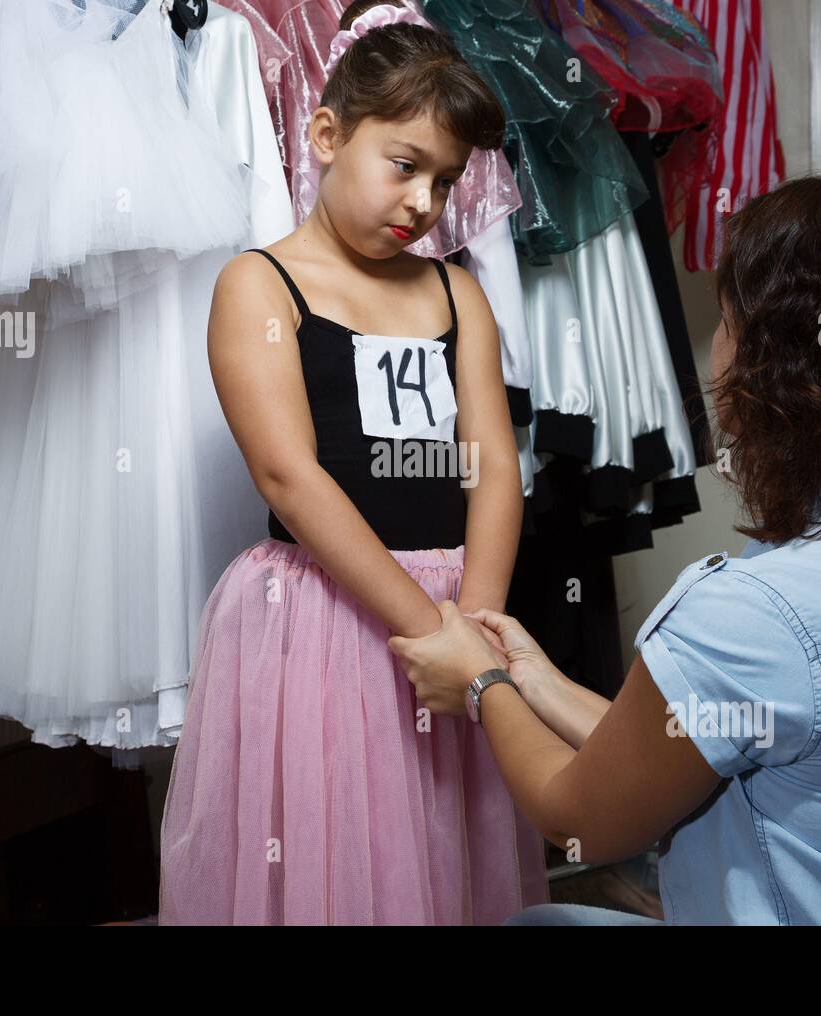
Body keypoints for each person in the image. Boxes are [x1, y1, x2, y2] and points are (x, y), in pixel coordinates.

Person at [389, 171, 821, 926]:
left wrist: (481, 686)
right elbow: (691, 743)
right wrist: (534, 682)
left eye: (728, 319)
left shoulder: (756, 619)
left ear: (776, 372)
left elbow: (579, 820)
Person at [158, 0, 548, 924]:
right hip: (329, 612)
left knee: (444, 847)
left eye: (445, 182)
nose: (424, 203)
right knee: (339, 853)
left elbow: (493, 465)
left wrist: (474, 623)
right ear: (328, 135)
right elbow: (289, 477)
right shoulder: (259, 283)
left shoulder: (456, 291)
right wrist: (428, 629)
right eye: (405, 167)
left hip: (456, 605)